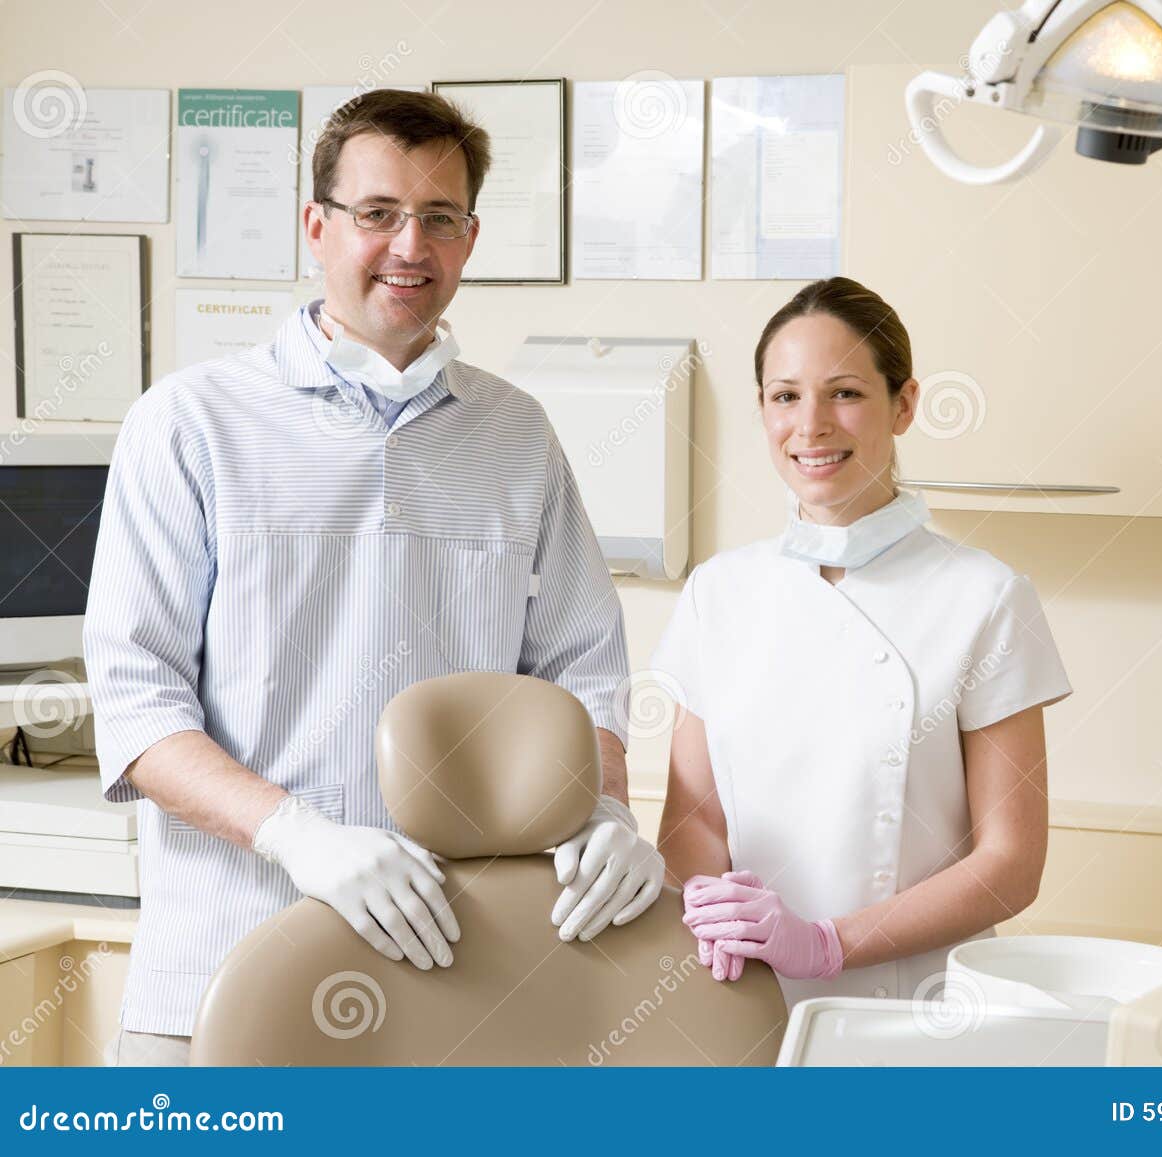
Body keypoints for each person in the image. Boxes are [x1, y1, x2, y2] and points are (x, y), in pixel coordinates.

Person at [84, 89, 663, 1067]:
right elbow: (138, 709)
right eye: (378, 212)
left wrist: (601, 805)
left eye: (439, 218)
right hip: (223, 972)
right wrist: (297, 834)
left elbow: (580, 669)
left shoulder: (513, 434)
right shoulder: (191, 423)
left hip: (454, 980)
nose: (410, 245)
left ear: (470, 239)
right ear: (317, 226)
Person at [650, 277, 1071, 1007]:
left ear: (903, 404)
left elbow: (1011, 861)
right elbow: (697, 821)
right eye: (785, 396)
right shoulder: (719, 592)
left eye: (843, 392)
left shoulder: (985, 596)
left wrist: (827, 944)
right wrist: (713, 918)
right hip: (744, 1001)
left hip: (914, 1012)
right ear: (762, 410)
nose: (810, 425)